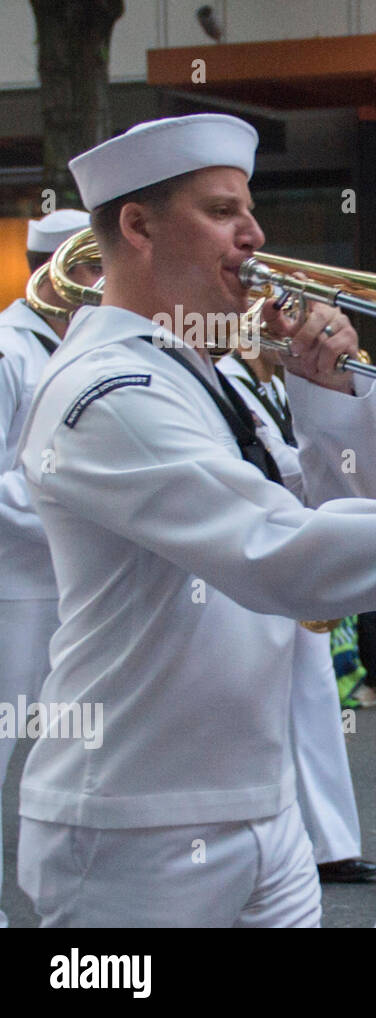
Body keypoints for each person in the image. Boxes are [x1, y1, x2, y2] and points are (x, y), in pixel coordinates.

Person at [15, 114, 376, 928]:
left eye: (248, 210)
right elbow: (281, 558)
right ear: (138, 227)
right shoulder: (108, 392)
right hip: (134, 823)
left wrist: (326, 395)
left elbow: (326, 543)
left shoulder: (203, 376)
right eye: (221, 211)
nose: (255, 234)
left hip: (258, 798)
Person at [218, 343, 376, 881]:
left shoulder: (267, 385)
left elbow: (290, 461)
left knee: (314, 704)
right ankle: (291, 839)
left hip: (295, 544)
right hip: (257, 551)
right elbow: (277, 464)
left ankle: (330, 843)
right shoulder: (228, 376)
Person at [0, 208, 97, 929]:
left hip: (69, 585)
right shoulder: (8, 353)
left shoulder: (75, 348)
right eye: (88, 270)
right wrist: (72, 497)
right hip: (15, 585)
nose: (98, 284)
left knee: (78, 748)